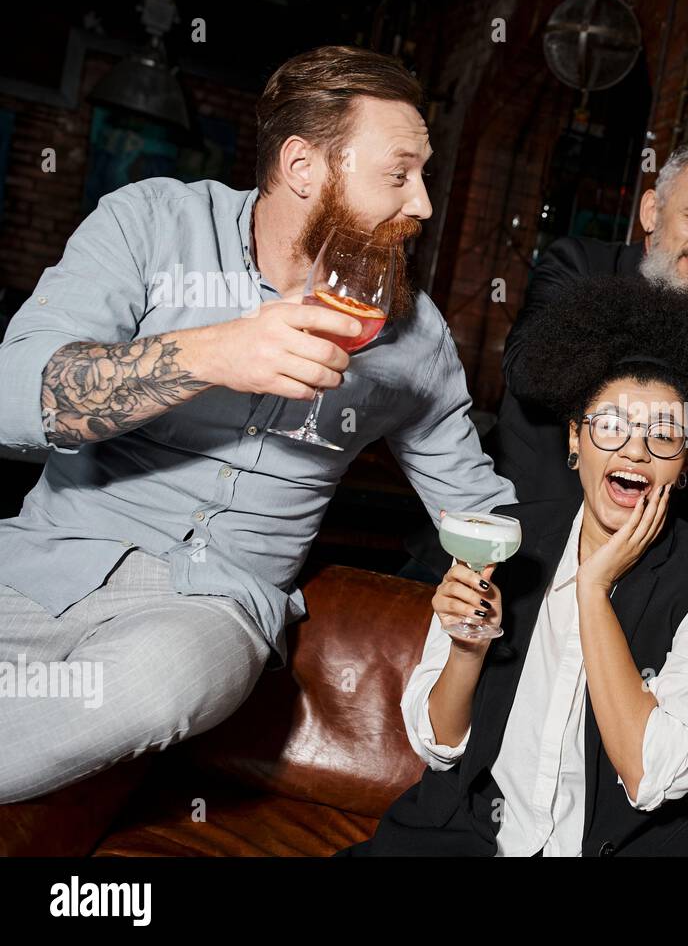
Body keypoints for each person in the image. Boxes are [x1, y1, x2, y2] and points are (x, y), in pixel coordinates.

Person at [0, 46, 514, 803]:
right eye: (398, 174)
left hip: (210, 610)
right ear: (304, 167)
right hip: (46, 565)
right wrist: (211, 354)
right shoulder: (152, 225)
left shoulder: (413, 336)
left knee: (162, 681)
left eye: (424, 176)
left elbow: (477, 505)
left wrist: (547, 554)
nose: (423, 205)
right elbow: (14, 400)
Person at [341, 276, 688, 856]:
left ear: (685, 463)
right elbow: (439, 744)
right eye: (611, 425)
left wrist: (593, 589)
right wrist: (468, 648)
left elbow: (648, 772)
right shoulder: (504, 535)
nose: (635, 451)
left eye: (664, 435)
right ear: (574, 438)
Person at [476, 139, 688, 505]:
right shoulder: (579, 264)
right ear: (652, 211)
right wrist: (677, 316)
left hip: (636, 536)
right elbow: (526, 371)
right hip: (520, 522)